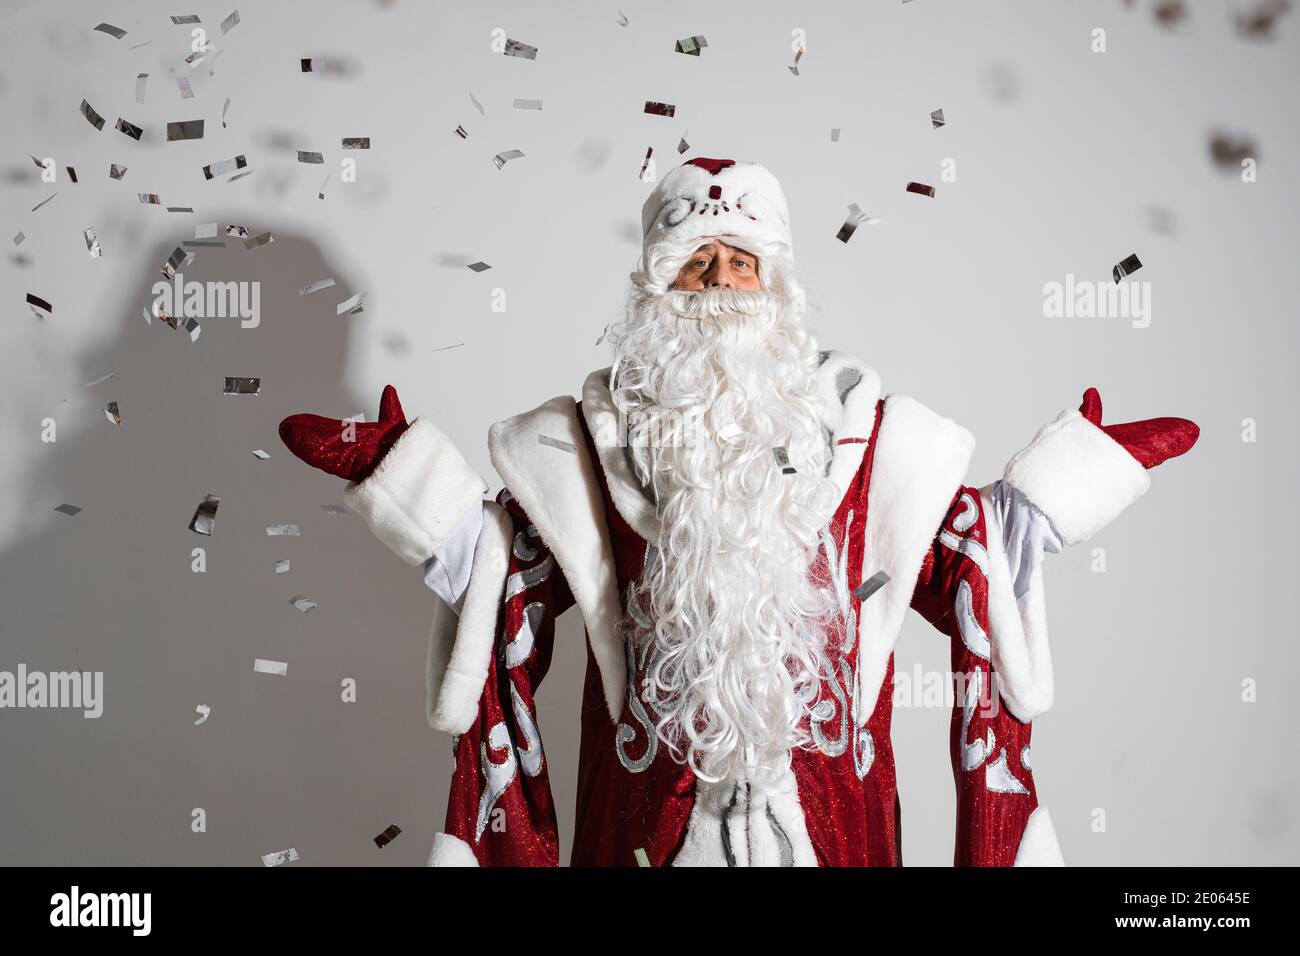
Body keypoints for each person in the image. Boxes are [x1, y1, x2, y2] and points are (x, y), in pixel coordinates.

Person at [279, 158, 1198, 866]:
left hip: (835, 836)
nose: (720, 282)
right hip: (643, 831)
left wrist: (1058, 492)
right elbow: (498, 582)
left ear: (778, 288)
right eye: (696, 265)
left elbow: (970, 556)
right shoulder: (595, 466)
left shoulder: (870, 453)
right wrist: (408, 481)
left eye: (743, 263)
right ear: (657, 294)